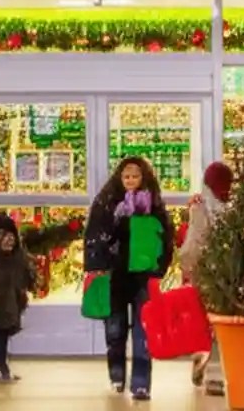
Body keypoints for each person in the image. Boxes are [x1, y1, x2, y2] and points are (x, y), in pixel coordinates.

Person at [84, 156, 174, 402]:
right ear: (120, 178)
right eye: (127, 176)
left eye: (135, 176)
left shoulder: (154, 204)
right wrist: (96, 266)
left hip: (143, 278)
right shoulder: (106, 203)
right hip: (114, 276)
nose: (131, 180)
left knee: (144, 331)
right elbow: (94, 235)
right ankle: (116, 375)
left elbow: (166, 238)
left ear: (144, 177)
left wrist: (159, 269)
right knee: (115, 330)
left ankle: (141, 384)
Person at [178, 161, 234, 397]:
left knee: (203, 321)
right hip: (230, 274)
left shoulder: (200, 208)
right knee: (221, 323)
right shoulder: (237, 207)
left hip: (204, 273)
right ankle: (216, 375)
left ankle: (201, 358)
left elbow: (194, 242)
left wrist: (187, 267)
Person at [0, 215, 36, 383]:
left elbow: (24, 278)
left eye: (11, 235)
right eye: (3, 235)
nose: (9, 239)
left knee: (1, 336)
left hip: (9, 305)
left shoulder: (17, 258)